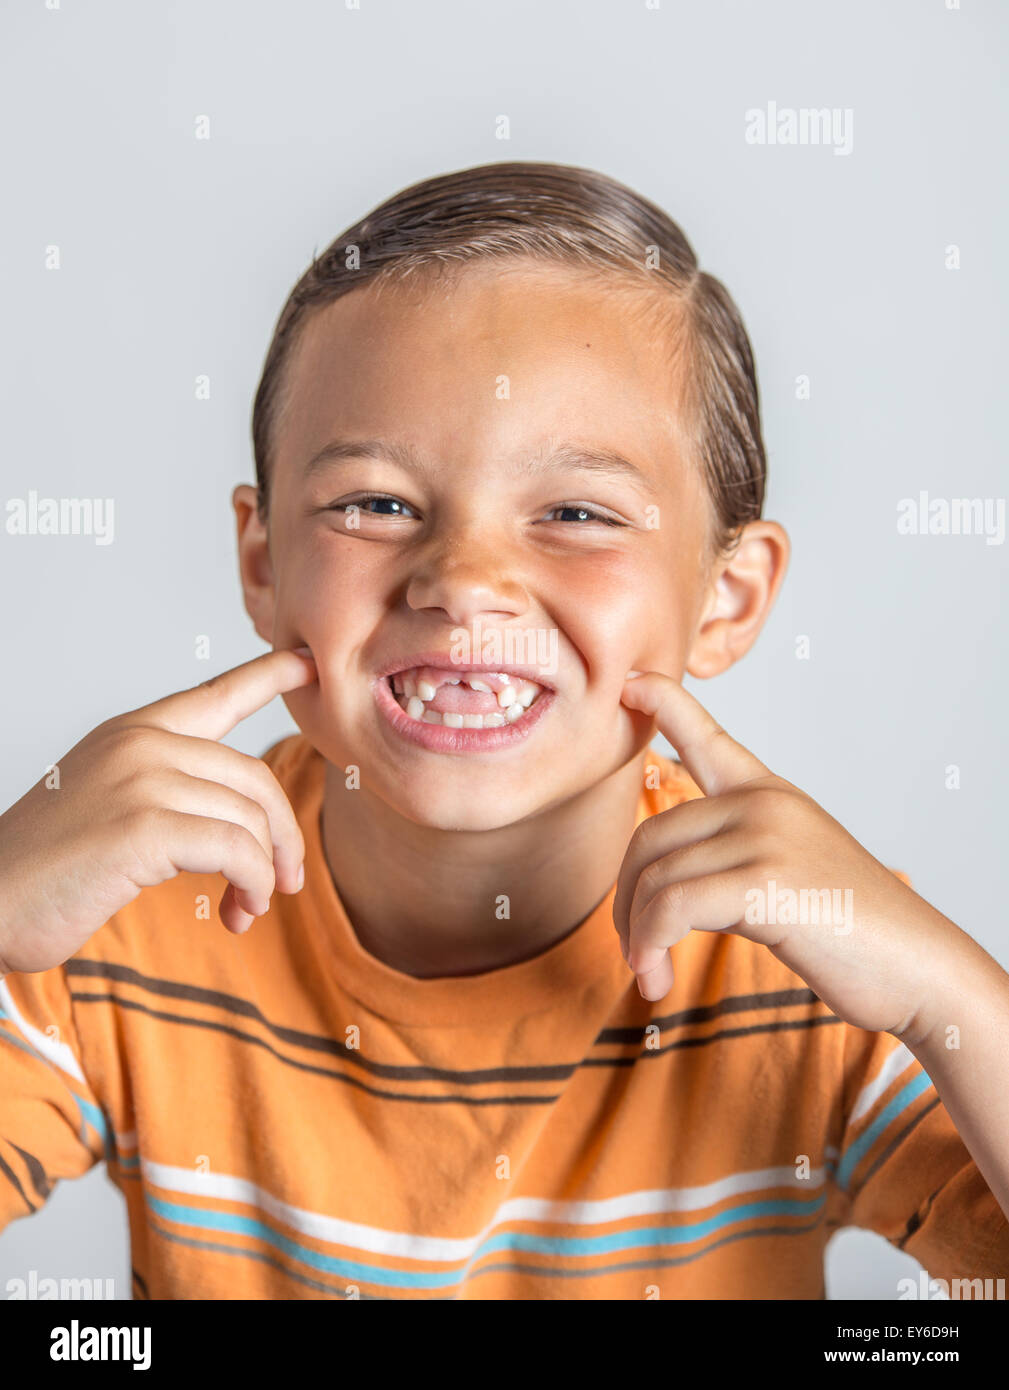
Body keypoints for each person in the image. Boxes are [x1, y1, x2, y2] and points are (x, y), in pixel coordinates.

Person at [1, 162, 1006, 1299]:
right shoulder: (115, 928)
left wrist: (953, 999)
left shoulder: (813, 959)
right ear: (264, 563)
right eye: (375, 503)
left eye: (576, 513)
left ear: (725, 598)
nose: (465, 581)